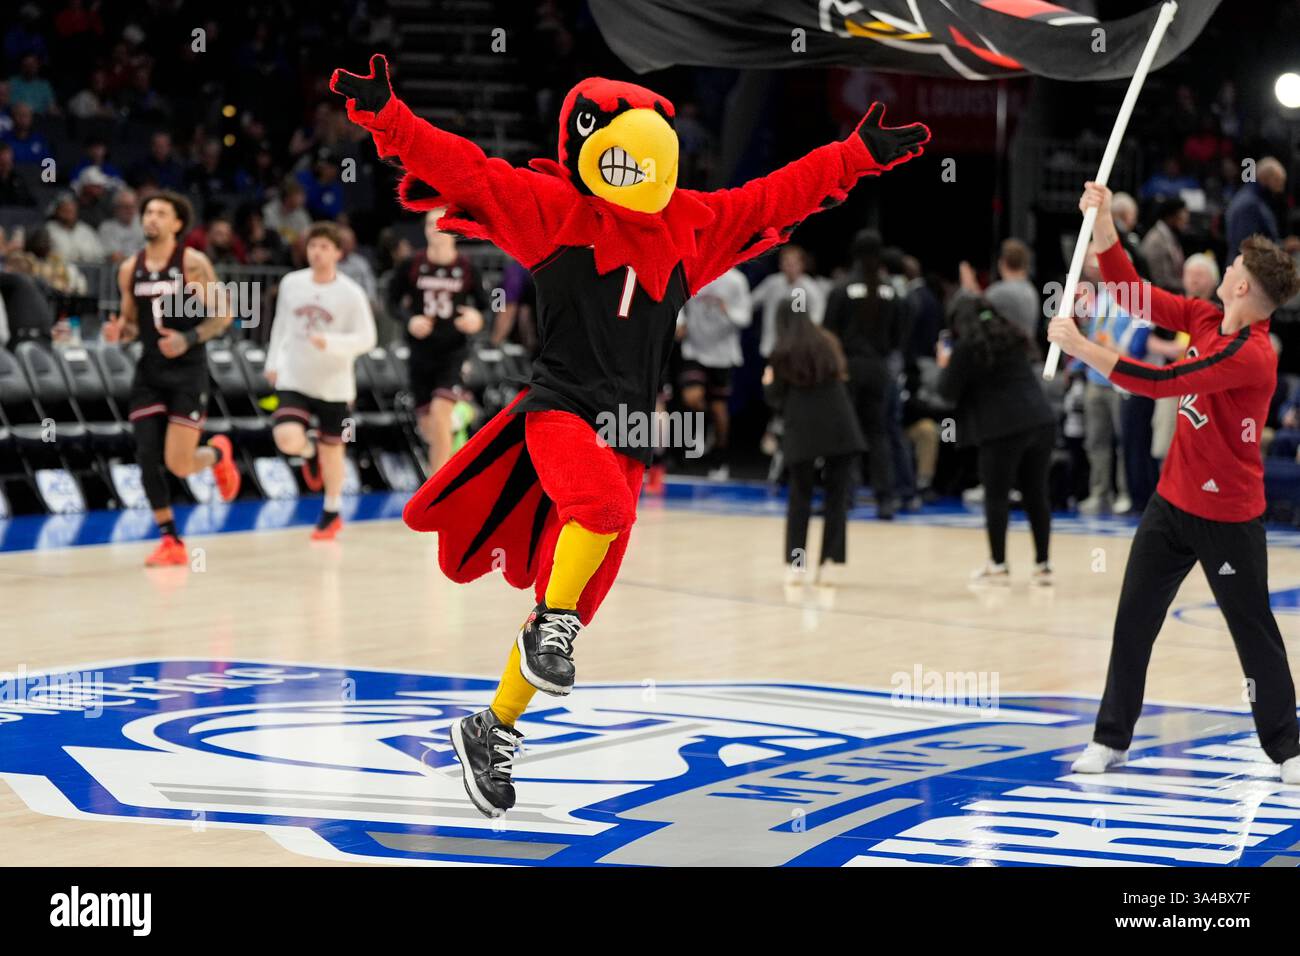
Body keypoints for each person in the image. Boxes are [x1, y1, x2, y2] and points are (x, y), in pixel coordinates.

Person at [330, 54, 929, 816]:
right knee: (594, 529)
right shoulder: (552, 209)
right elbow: (467, 171)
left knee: (575, 600)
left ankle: (493, 726)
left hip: (627, 433)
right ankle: (549, 631)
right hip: (557, 411)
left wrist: (852, 155)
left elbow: (773, 199)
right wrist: (388, 116)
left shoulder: (690, 228)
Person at [1050, 181, 1300, 785]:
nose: (1226, 264)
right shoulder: (1207, 315)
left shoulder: (1252, 354)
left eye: (1234, 262)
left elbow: (1161, 382)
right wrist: (1105, 221)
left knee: (1252, 631)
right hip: (1173, 503)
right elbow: (1131, 292)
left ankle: (1288, 748)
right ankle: (1111, 739)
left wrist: (1083, 348)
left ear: (1243, 285)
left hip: (1230, 516)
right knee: (1134, 618)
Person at [100, 191, 242, 565]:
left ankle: (217, 454)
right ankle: (171, 541)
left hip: (188, 373)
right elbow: (130, 323)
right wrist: (119, 332)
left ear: (177, 223)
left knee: (178, 463)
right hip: (149, 371)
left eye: (161, 213)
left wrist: (188, 338)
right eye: (148, 212)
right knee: (147, 455)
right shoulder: (131, 268)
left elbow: (224, 314)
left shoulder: (191, 264)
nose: (151, 218)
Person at [264, 222, 377, 540]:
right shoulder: (291, 283)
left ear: (338, 253)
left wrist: (333, 343)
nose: (317, 252)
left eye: (325, 247)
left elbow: (368, 338)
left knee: (335, 449)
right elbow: (280, 326)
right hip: (295, 377)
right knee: (286, 436)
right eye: (313, 246)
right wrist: (274, 362)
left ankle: (332, 510)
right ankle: (307, 451)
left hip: (334, 383)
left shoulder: (351, 293)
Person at [937, 297, 1055, 584]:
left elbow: (946, 392)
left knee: (996, 496)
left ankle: (999, 564)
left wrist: (945, 362)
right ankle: (1042, 565)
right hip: (1040, 419)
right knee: (1036, 494)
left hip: (1002, 427)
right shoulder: (1012, 336)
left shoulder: (967, 346)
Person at [764, 302, 864, 586]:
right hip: (840, 426)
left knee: (800, 498)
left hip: (804, 429)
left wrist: (767, 381)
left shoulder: (782, 353)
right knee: (836, 498)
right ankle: (830, 564)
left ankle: (797, 567)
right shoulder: (828, 342)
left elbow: (775, 397)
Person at [388, 206, 488, 475]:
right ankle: (463, 414)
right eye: (431, 224)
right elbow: (390, 301)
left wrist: (476, 319)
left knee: (440, 412)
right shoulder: (412, 264)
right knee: (430, 428)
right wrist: (409, 319)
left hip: (453, 351)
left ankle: (436, 488)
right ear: (425, 230)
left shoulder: (467, 268)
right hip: (420, 353)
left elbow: (486, 307)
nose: (437, 229)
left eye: (443, 223)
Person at [823, 229, 910, 519]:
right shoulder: (891, 292)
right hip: (879, 369)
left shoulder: (841, 288)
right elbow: (899, 338)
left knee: (842, 435)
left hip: (848, 368)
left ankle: (841, 498)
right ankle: (885, 499)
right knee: (878, 434)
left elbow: (828, 333)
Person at [676, 266, 751, 479]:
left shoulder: (736, 280)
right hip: (694, 349)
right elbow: (679, 301)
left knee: (719, 411)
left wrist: (727, 310)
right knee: (692, 398)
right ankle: (701, 428)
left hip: (723, 355)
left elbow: (744, 318)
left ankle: (720, 459)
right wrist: (680, 323)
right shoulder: (695, 271)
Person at [753, 244, 826, 358]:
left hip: (799, 347)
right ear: (780, 264)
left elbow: (817, 318)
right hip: (772, 344)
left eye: (793, 263)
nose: (790, 267)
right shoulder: (772, 283)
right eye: (786, 262)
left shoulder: (810, 289)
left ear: (802, 265)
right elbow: (750, 302)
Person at [1225, 157, 1285, 254]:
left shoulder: (1256, 200)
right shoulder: (1249, 204)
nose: (1280, 189)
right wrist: (1283, 247)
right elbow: (1247, 246)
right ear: (1265, 177)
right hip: (1245, 266)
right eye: (1278, 181)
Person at [1139, 196, 1188, 293]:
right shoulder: (1157, 241)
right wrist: (1188, 285)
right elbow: (1161, 282)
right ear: (1171, 217)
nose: (1185, 220)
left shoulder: (1169, 235)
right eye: (1182, 216)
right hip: (1159, 297)